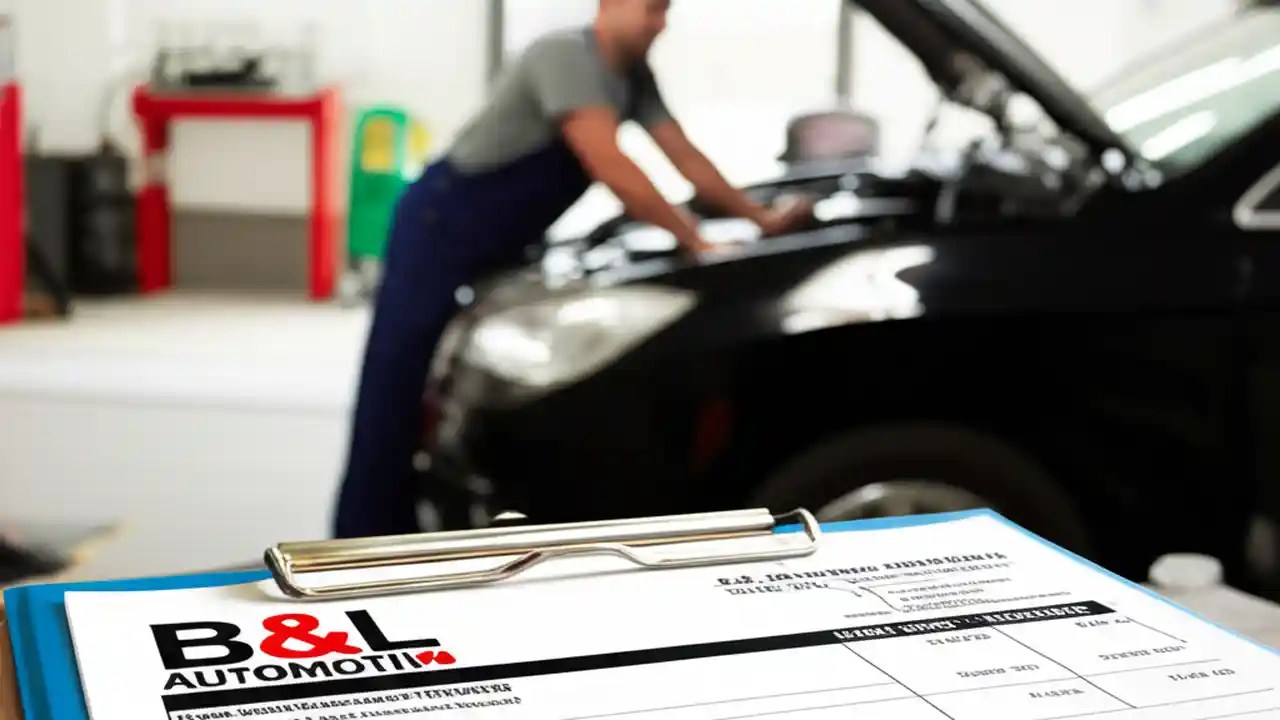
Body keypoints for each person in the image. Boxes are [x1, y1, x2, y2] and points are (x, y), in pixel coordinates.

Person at [332, 0, 814, 539]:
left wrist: (761, 219)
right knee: (396, 380)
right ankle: (363, 536)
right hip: (439, 225)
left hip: (501, 238)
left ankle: (435, 521)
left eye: (666, 12)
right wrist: (695, 240)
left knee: (458, 384)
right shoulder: (565, 55)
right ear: (610, 5)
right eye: (652, 9)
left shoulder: (633, 77)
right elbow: (609, 163)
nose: (661, 24)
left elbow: (685, 157)